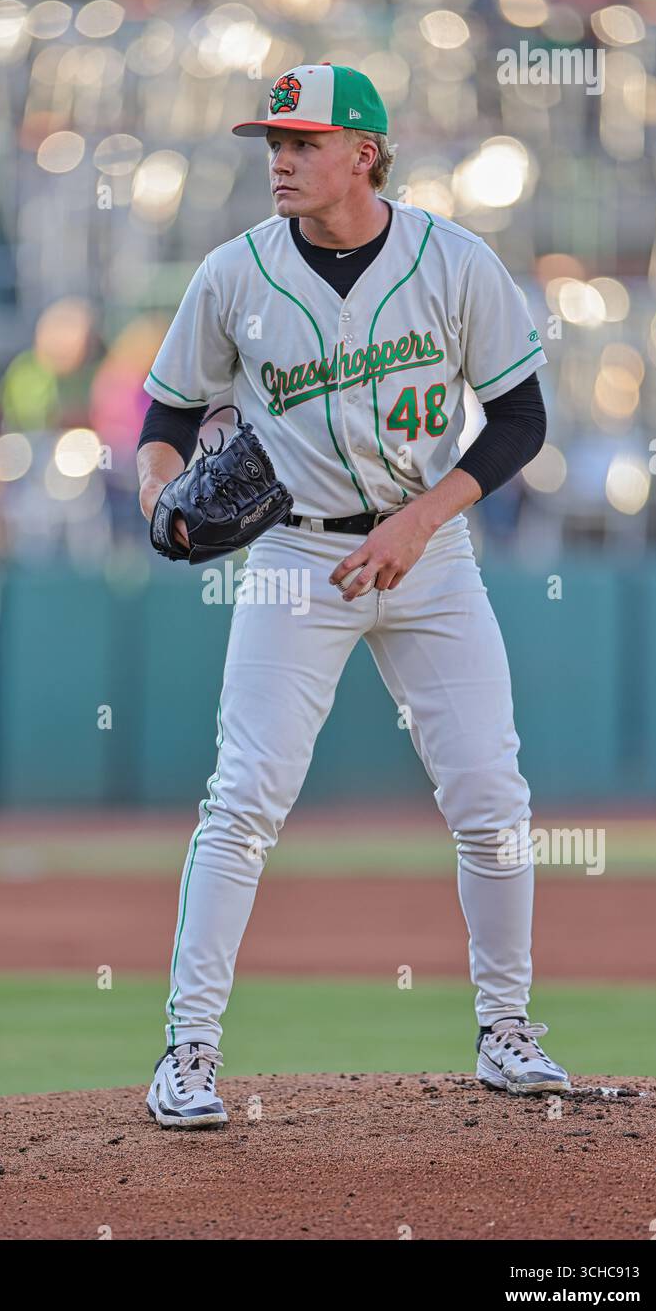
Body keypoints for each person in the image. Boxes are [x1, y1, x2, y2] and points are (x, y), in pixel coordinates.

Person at [136, 63, 569, 1128]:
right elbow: (167, 414)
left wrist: (422, 521)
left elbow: (520, 420)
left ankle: (508, 1030)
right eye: (270, 143)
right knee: (242, 801)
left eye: (300, 141)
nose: (278, 160)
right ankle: (188, 1052)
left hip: (432, 556)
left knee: (493, 801)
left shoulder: (454, 262)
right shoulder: (234, 275)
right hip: (293, 558)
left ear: (362, 155)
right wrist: (157, 494)